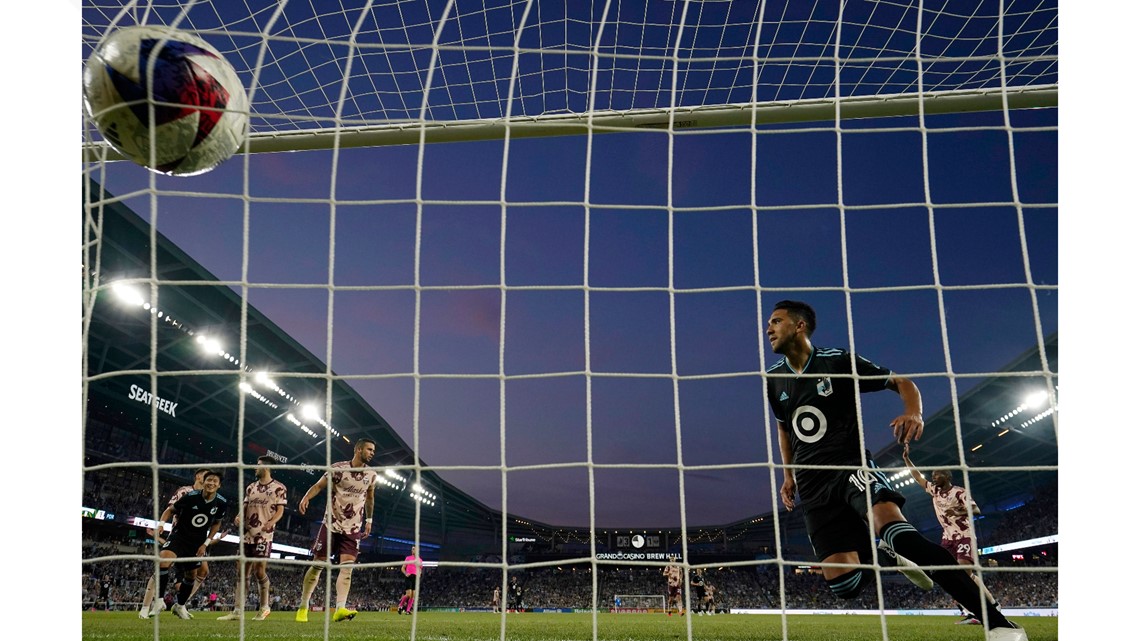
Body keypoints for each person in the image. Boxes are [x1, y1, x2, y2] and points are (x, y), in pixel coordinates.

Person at [763, 300, 1026, 641]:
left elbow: (901, 381)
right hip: (812, 485)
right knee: (843, 585)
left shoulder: (838, 361)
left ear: (799, 326)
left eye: (776, 321)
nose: (768, 328)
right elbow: (784, 429)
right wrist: (788, 475)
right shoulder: (772, 378)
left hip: (851, 466)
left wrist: (913, 411)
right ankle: (884, 558)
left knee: (900, 534)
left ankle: (999, 624)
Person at [903, 443, 998, 624]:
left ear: (946, 476)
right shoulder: (934, 491)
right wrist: (907, 459)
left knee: (964, 574)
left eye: (936, 475)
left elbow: (976, 510)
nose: (933, 478)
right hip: (947, 539)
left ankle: (991, 606)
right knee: (950, 577)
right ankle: (973, 611)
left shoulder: (959, 492)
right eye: (932, 476)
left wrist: (958, 512)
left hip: (964, 535)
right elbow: (917, 477)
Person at [294, 438, 377, 623]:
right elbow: (318, 486)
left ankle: (340, 608)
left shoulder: (371, 474)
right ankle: (303, 606)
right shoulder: (338, 468)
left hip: (353, 528)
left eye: (373, 450)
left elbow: (370, 498)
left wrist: (369, 520)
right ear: (358, 449)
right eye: (369, 449)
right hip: (331, 524)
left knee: (346, 569)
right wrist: (306, 497)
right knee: (318, 566)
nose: (372, 453)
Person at [137, 471, 228, 620]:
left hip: (197, 541)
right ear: (203, 481)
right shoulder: (190, 495)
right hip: (179, 535)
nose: (211, 483)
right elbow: (169, 510)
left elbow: (217, 523)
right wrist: (161, 525)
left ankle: (180, 605)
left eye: (215, 481)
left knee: (192, 574)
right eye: (209, 480)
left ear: (219, 485)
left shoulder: (221, 502)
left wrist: (205, 544)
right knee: (163, 561)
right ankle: (157, 602)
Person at [218, 455, 288, 621]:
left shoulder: (279, 488)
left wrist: (271, 522)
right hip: (246, 534)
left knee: (259, 570)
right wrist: (238, 516)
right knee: (242, 572)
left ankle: (264, 607)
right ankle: (237, 610)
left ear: (267, 468)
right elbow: (244, 506)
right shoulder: (251, 488)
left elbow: (280, 511)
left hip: (264, 535)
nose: (255, 468)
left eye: (258, 465)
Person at [397, 545, 422, 614]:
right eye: (412, 549)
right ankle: (400, 605)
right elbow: (402, 568)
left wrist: (419, 574)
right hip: (409, 577)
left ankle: (408, 610)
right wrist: (405, 573)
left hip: (415, 578)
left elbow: (420, 569)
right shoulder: (408, 558)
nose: (412, 550)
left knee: (413, 595)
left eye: (414, 549)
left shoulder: (420, 560)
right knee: (408, 594)